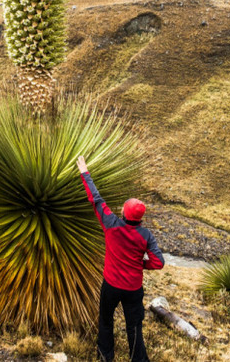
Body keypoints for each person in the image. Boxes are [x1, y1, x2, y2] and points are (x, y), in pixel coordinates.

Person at [77, 155, 164, 362]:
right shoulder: (146, 236)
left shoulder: (111, 224)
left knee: (106, 320)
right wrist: (141, 264)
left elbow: (96, 199)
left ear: (124, 212)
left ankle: (105, 357)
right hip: (133, 288)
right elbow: (159, 262)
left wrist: (84, 173)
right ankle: (138, 359)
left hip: (111, 284)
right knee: (134, 326)